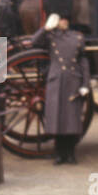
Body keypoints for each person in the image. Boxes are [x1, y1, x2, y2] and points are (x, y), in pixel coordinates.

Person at [28, 11, 91, 164]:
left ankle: (70, 153)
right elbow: (33, 42)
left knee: (71, 119)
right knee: (57, 119)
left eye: (64, 20)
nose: (63, 22)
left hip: (73, 79)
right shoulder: (50, 36)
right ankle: (59, 153)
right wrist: (45, 28)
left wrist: (86, 84)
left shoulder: (77, 37)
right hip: (56, 80)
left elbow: (83, 62)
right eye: (60, 20)